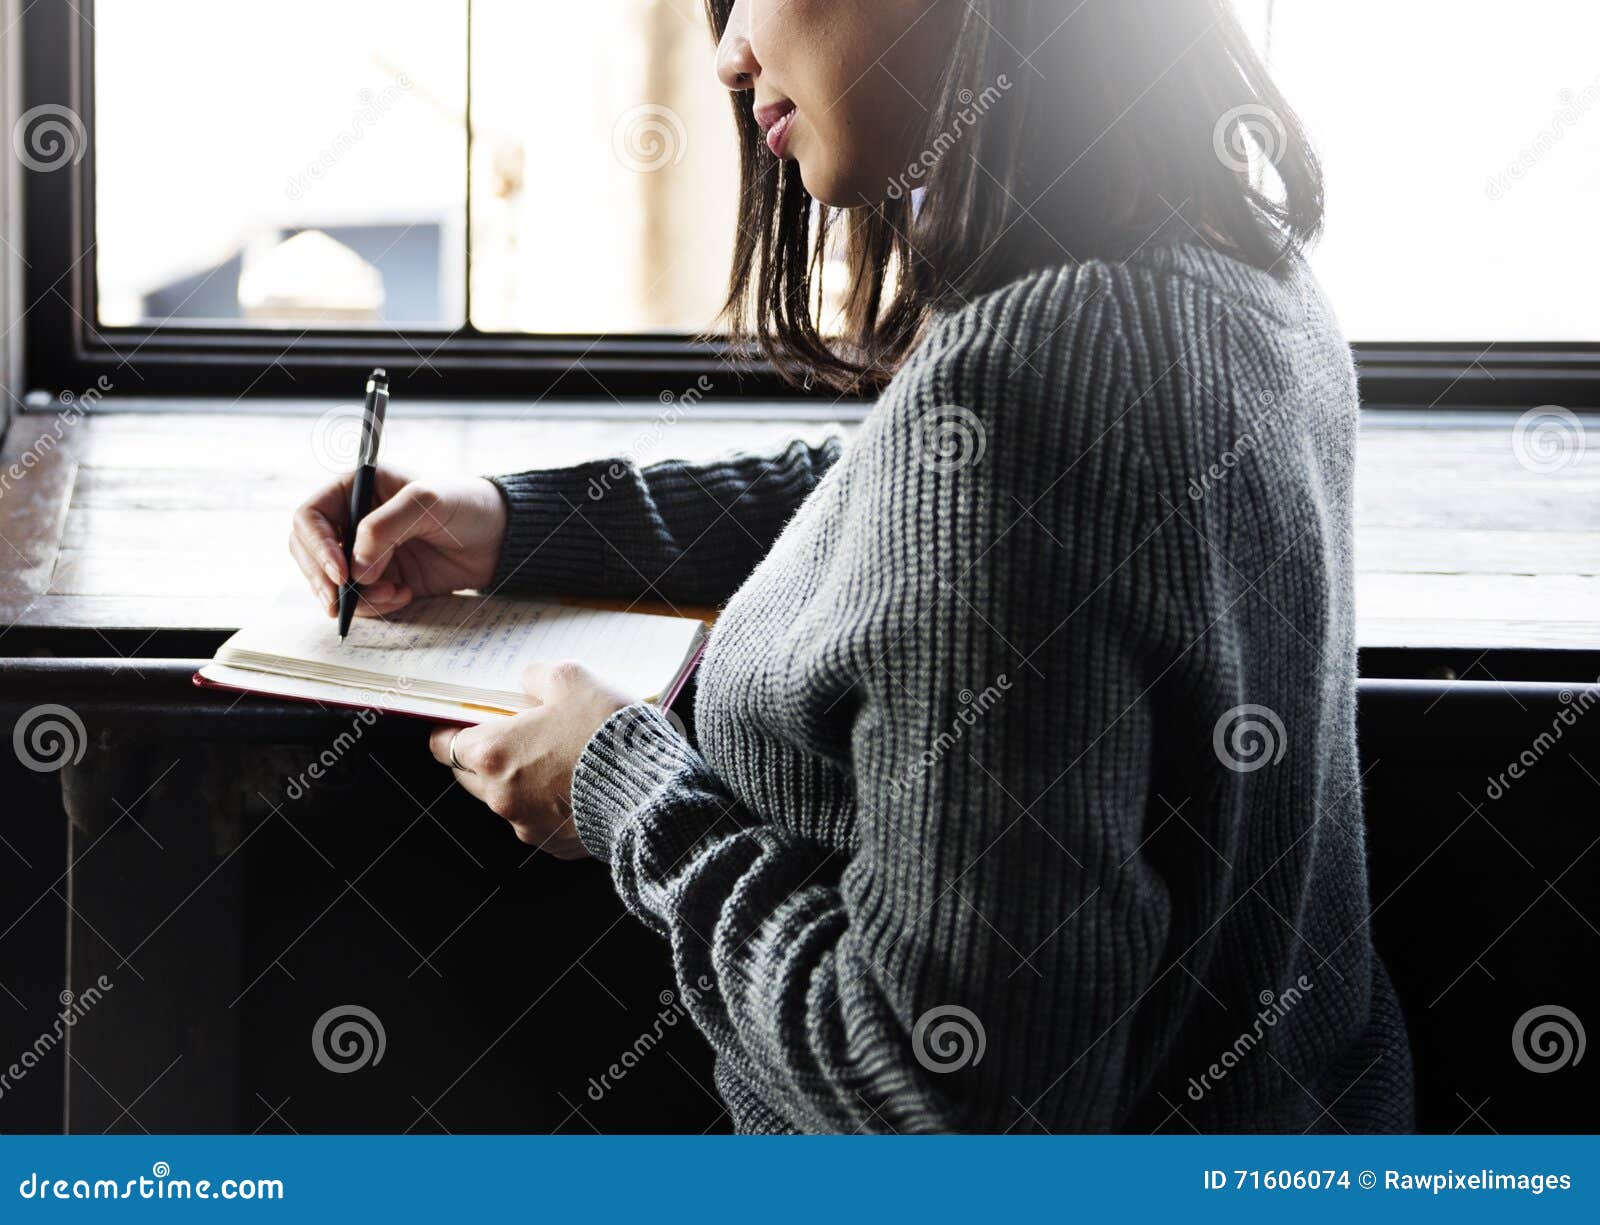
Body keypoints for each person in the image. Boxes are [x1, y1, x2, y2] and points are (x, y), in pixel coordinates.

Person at [289, 0, 1413, 1133]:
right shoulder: (1226, 271)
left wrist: (627, 792)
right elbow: (887, 494)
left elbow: (942, 1098)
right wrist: (514, 523)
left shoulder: (1024, 395)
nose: (729, 59)